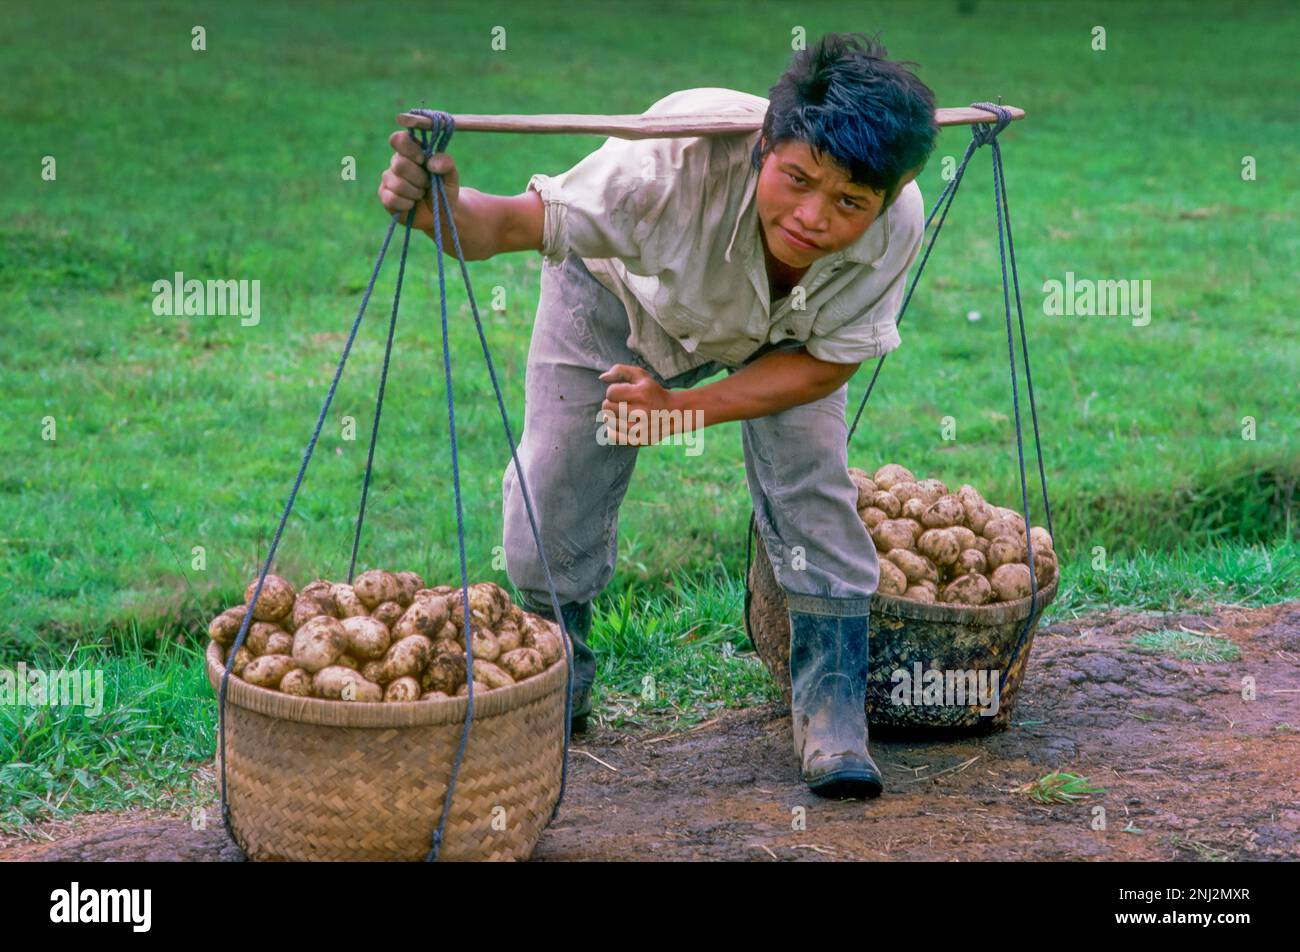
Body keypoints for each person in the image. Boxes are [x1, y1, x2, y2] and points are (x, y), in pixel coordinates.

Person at [378, 32, 938, 799]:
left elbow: (827, 363)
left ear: (890, 192)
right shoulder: (663, 167)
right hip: (619, 294)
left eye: (850, 203)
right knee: (554, 487)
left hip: (784, 336)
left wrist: (680, 410)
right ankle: (557, 683)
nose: (813, 217)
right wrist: (437, 209)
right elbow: (503, 225)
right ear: (764, 145)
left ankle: (831, 710)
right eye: (797, 180)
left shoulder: (896, 223)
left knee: (815, 488)